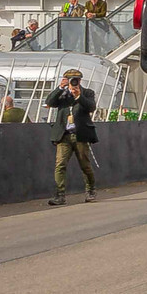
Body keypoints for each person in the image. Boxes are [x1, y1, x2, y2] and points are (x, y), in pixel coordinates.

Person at [45, 69, 97, 204]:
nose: (74, 83)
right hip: (64, 135)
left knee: (85, 165)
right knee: (60, 165)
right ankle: (59, 195)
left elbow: (91, 107)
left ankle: (90, 189)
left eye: (77, 80)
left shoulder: (87, 93)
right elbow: (49, 102)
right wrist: (60, 88)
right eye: (71, 80)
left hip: (81, 135)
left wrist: (79, 96)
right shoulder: (62, 95)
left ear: (80, 80)